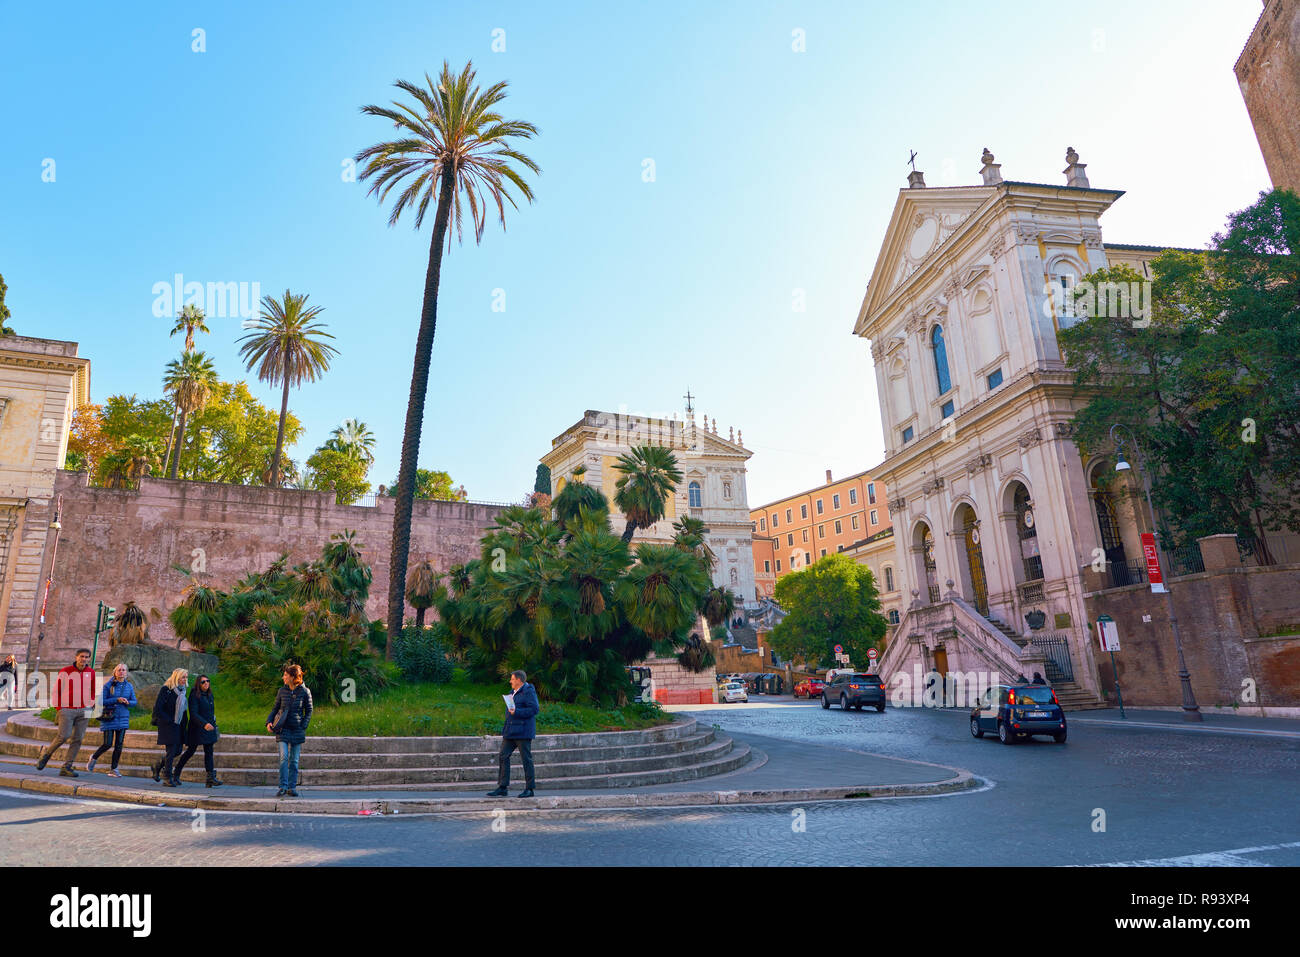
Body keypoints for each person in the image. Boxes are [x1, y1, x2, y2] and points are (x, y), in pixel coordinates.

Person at [34, 649, 97, 777]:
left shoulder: (91, 672)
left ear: (89, 659)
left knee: (78, 739)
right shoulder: (66, 671)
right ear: (76, 657)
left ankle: (67, 767)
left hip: (84, 710)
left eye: (86, 657)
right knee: (63, 735)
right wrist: (59, 708)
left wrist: (91, 706)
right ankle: (46, 755)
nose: (83, 659)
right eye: (81, 656)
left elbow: (92, 690)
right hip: (67, 709)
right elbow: (57, 690)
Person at [486, 670, 539, 799]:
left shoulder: (528, 691)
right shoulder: (512, 693)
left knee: (526, 759)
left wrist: (517, 711)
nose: (510, 681)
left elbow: (534, 709)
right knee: (503, 755)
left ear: (519, 680)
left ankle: (530, 789)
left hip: (523, 731)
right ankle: (502, 787)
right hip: (511, 731)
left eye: (512, 679)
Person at [266, 664, 312, 797]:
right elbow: (275, 709)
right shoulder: (282, 691)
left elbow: (309, 710)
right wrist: (269, 722)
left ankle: (292, 787)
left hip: (297, 730)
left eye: (285, 675)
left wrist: (303, 725)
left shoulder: (305, 692)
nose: (283, 677)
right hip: (283, 729)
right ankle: (283, 787)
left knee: (294, 760)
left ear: (293, 677)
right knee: (283, 757)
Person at [87, 662, 136, 776]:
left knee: (119, 745)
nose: (121, 672)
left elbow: (135, 701)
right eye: (119, 670)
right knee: (107, 744)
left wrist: (128, 702)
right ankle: (94, 757)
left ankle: (114, 769)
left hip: (123, 718)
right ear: (115, 672)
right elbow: (101, 701)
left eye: (123, 670)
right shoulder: (108, 686)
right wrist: (116, 700)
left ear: (126, 673)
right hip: (109, 717)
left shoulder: (129, 686)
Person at [174, 674, 222, 787]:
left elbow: (210, 712)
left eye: (207, 681)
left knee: (209, 752)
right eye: (203, 682)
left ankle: (210, 778)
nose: (206, 683)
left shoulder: (209, 694)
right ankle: (176, 773)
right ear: (198, 684)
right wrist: (204, 724)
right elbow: (194, 714)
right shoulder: (194, 695)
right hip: (197, 728)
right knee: (191, 751)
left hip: (209, 727)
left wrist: (213, 724)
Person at [150, 669, 189, 786]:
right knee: (171, 751)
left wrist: (185, 725)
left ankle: (157, 766)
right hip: (167, 724)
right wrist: (169, 720)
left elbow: (184, 711)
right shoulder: (166, 690)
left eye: (186, 677)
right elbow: (158, 709)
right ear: (176, 677)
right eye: (183, 677)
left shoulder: (183, 691)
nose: (185, 679)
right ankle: (167, 776)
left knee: (177, 751)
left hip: (179, 724)